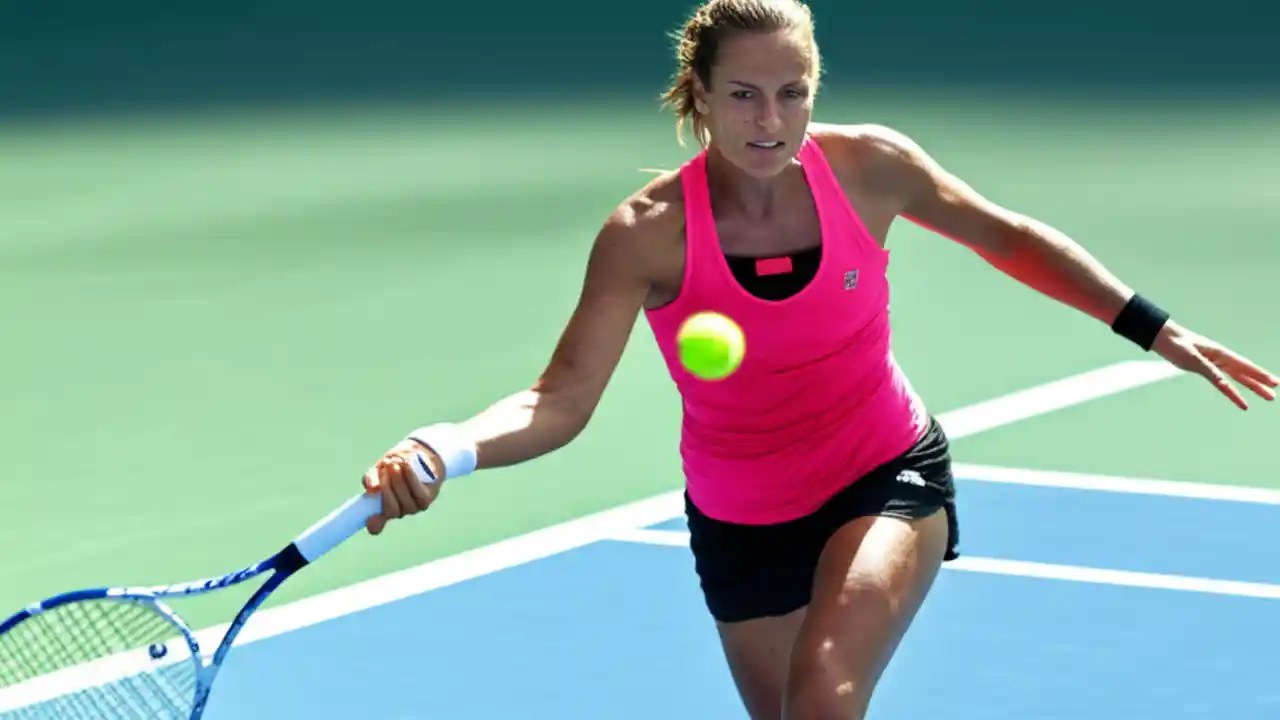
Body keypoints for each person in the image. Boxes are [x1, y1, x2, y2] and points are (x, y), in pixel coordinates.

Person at [359, 0, 1279, 717]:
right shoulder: (648, 235)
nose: (772, 118)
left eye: (793, 91)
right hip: (740, 518)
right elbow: (558, 400)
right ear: (702, 96)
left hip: (883, 469)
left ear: (816, 86)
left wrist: (1151, 326)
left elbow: (1008, 238)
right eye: (746, 95)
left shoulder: (872, 168)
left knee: (825, 696)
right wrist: (447, 447)